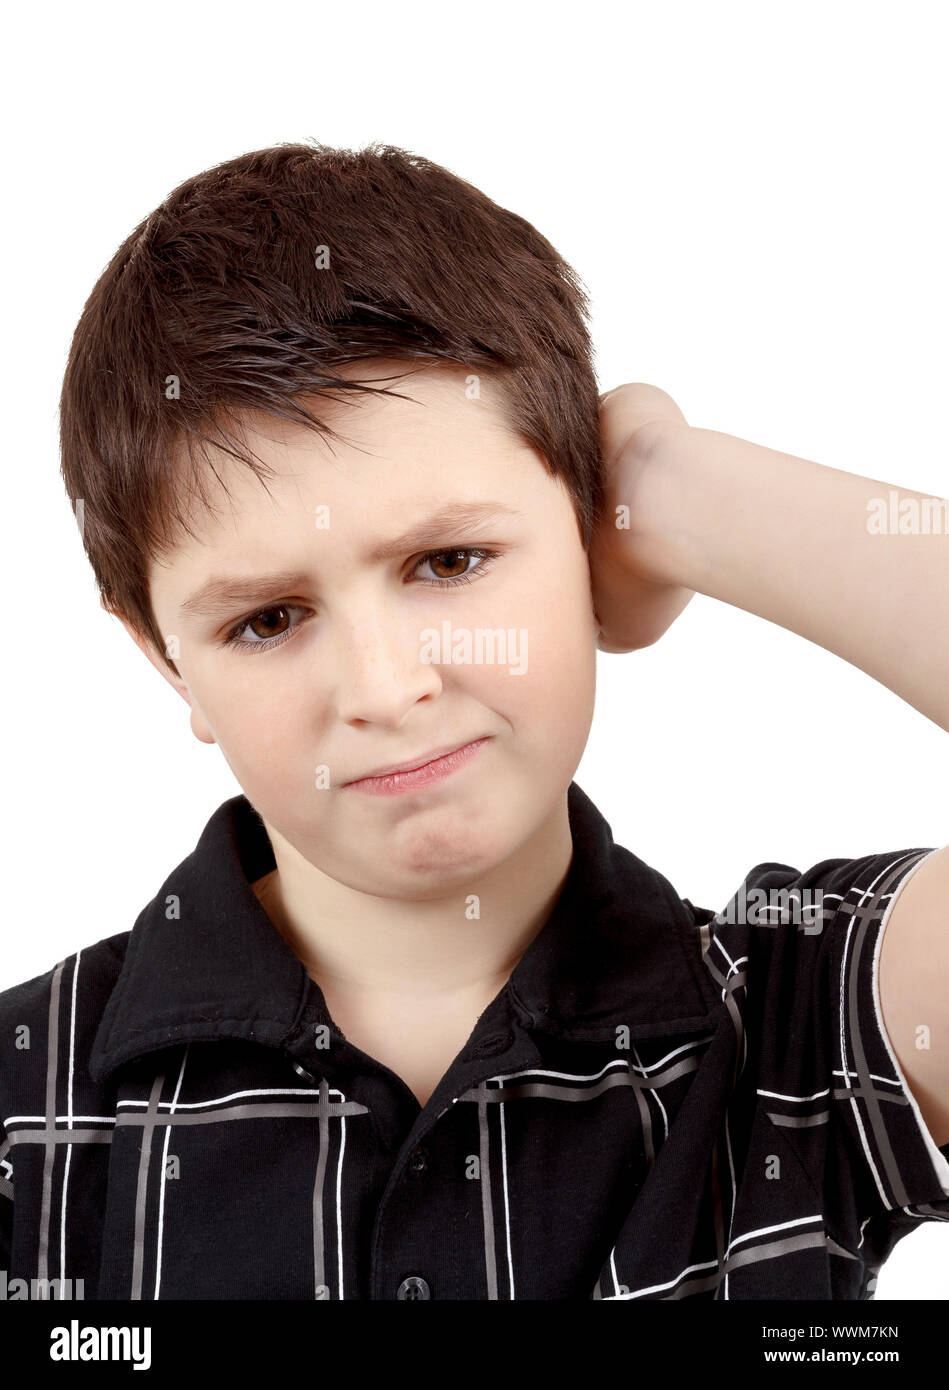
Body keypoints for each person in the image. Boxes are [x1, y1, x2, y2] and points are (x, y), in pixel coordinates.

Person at [0, 143, 946, 1301]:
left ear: (591, 532)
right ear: (165, 660)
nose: (387, 688)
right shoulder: (25, 1109)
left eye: (449, 559)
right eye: (267, 619)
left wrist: (677, 483)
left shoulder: (804, 1013)